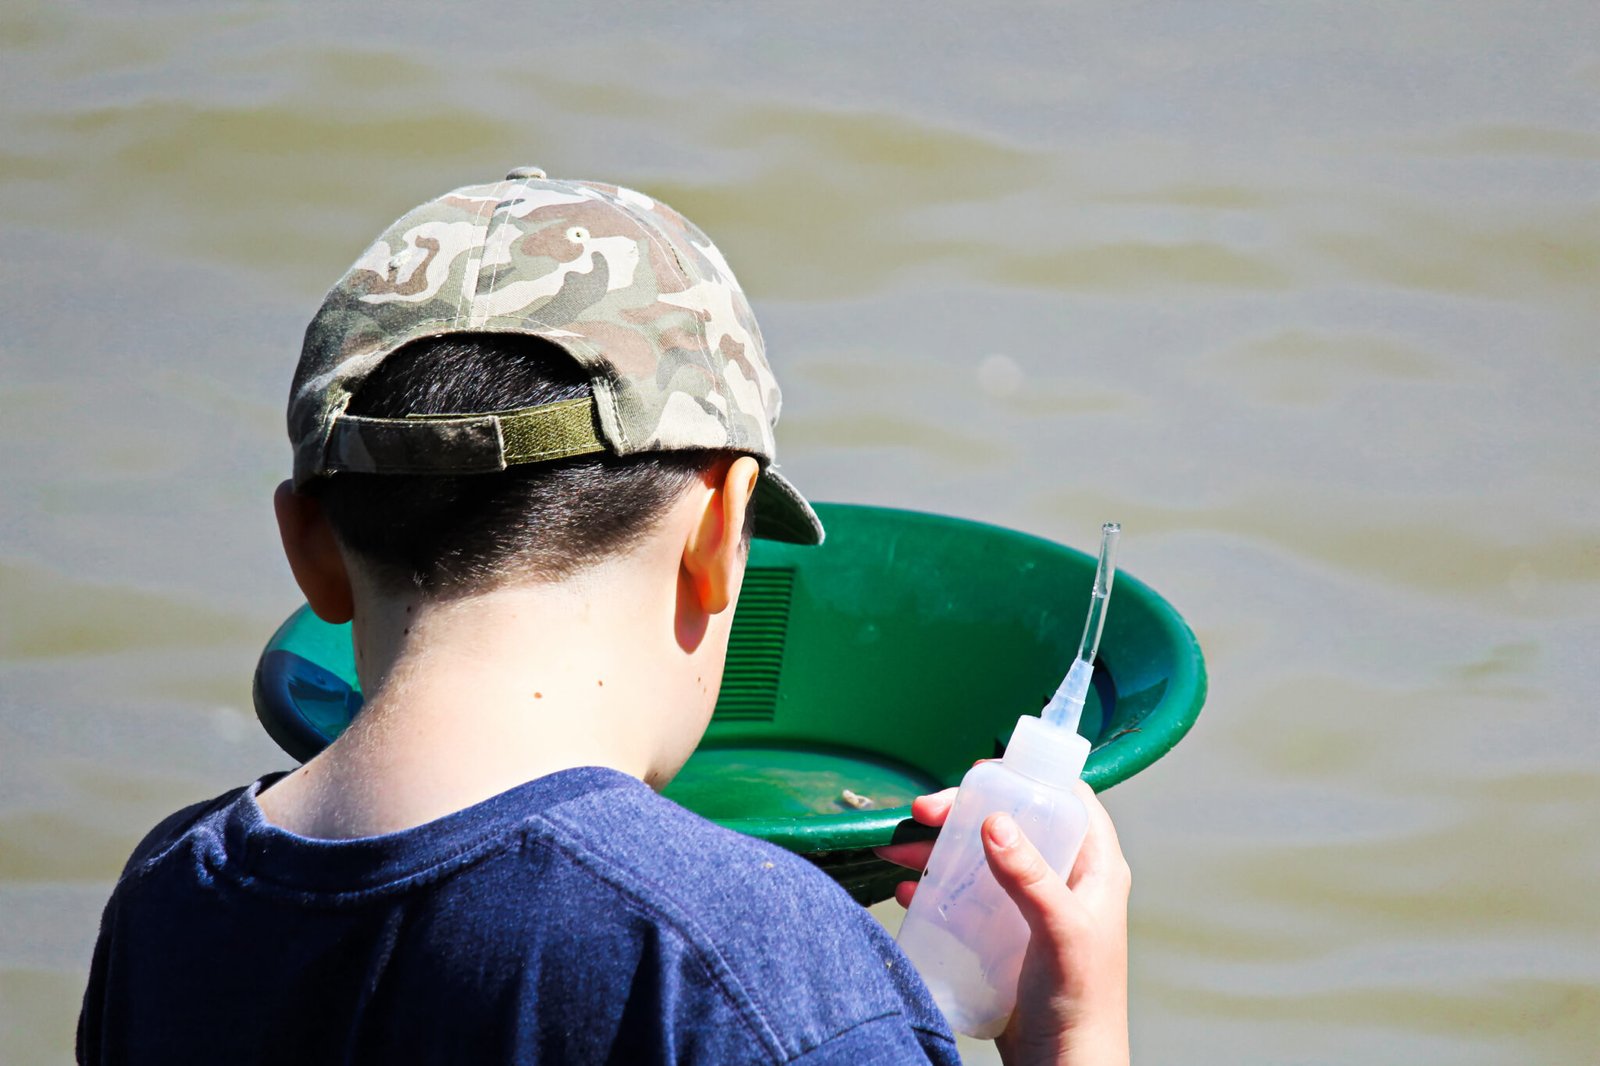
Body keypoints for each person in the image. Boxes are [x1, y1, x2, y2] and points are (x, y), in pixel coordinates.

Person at [77, 167, 1131, 1065]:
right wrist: (1078, 1033)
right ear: (723, 530)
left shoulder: (169, 900)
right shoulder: (745, 963)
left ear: (309, 547)